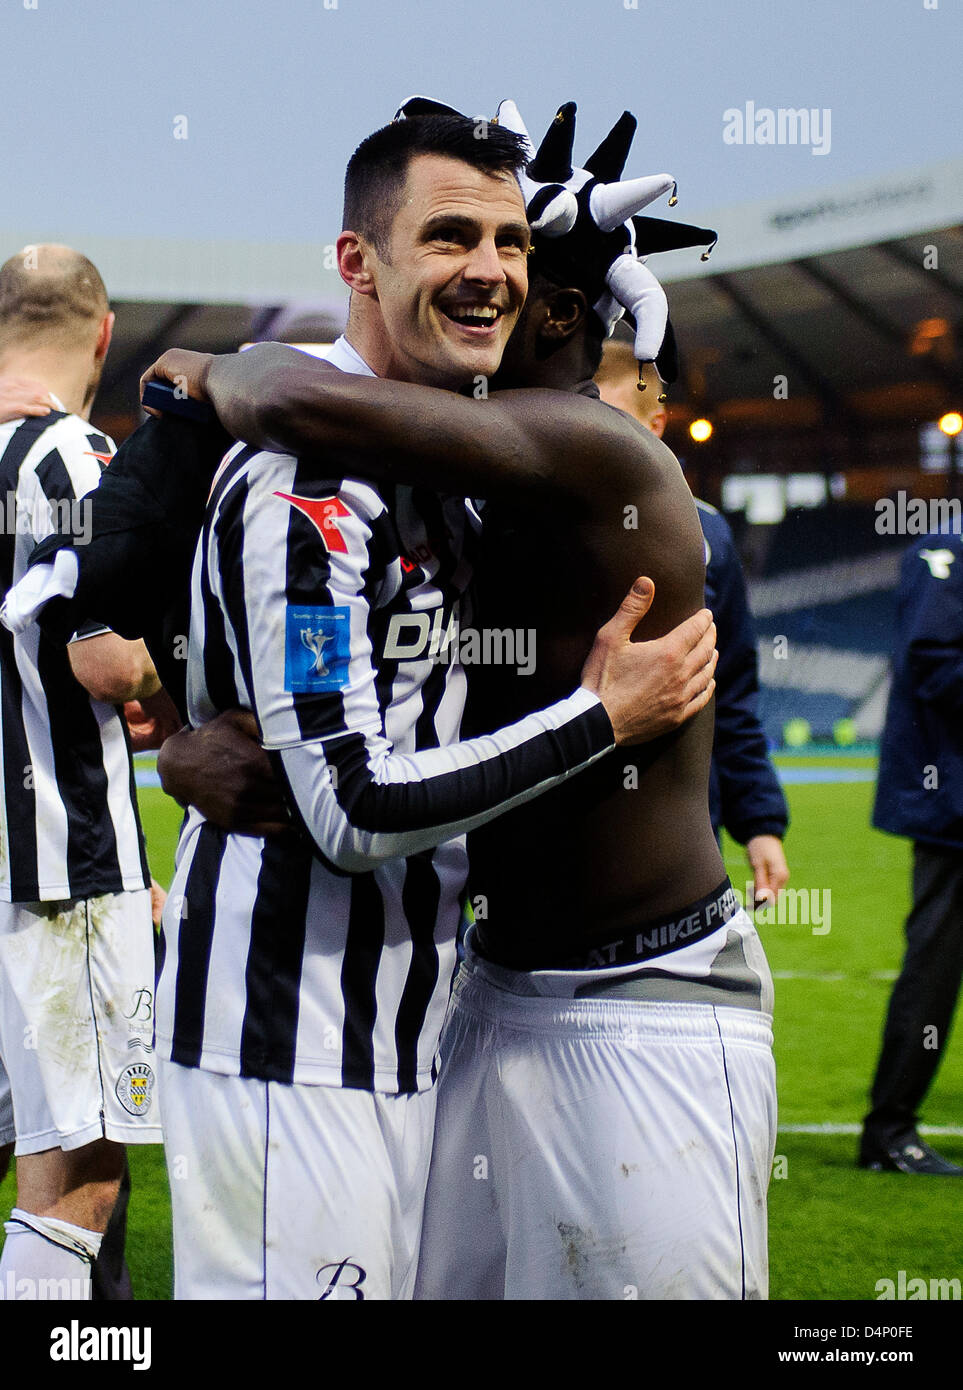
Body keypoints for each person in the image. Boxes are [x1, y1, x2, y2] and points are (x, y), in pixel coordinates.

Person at [7, 115, 709, 1301]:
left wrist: (183, 729)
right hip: (294, 1040)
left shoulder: (435, 453)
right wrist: (604, 717)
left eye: (506, 239)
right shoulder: (314, 482)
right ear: (356, 263)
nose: (487, 267)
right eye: (446, 236)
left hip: (402, 1026)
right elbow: (350, 807)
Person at [0, 245, 173, 1300]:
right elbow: (105, 659)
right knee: (76, 1185)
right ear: (103, 336)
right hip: (63, 875)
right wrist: (173, 672)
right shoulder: (78, 461)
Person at [595, 340, 790, 905]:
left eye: (613, 418)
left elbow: (730, 693)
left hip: (682, 827)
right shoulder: (521, 520)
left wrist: (759, 822)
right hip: (551, 825)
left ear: (655, 423)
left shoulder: (709, 535)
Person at [862, 528, 963, 1176]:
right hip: (952, 805)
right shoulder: (942, 553)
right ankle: (888, 1131)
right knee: (934, 963)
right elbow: (931, 663)